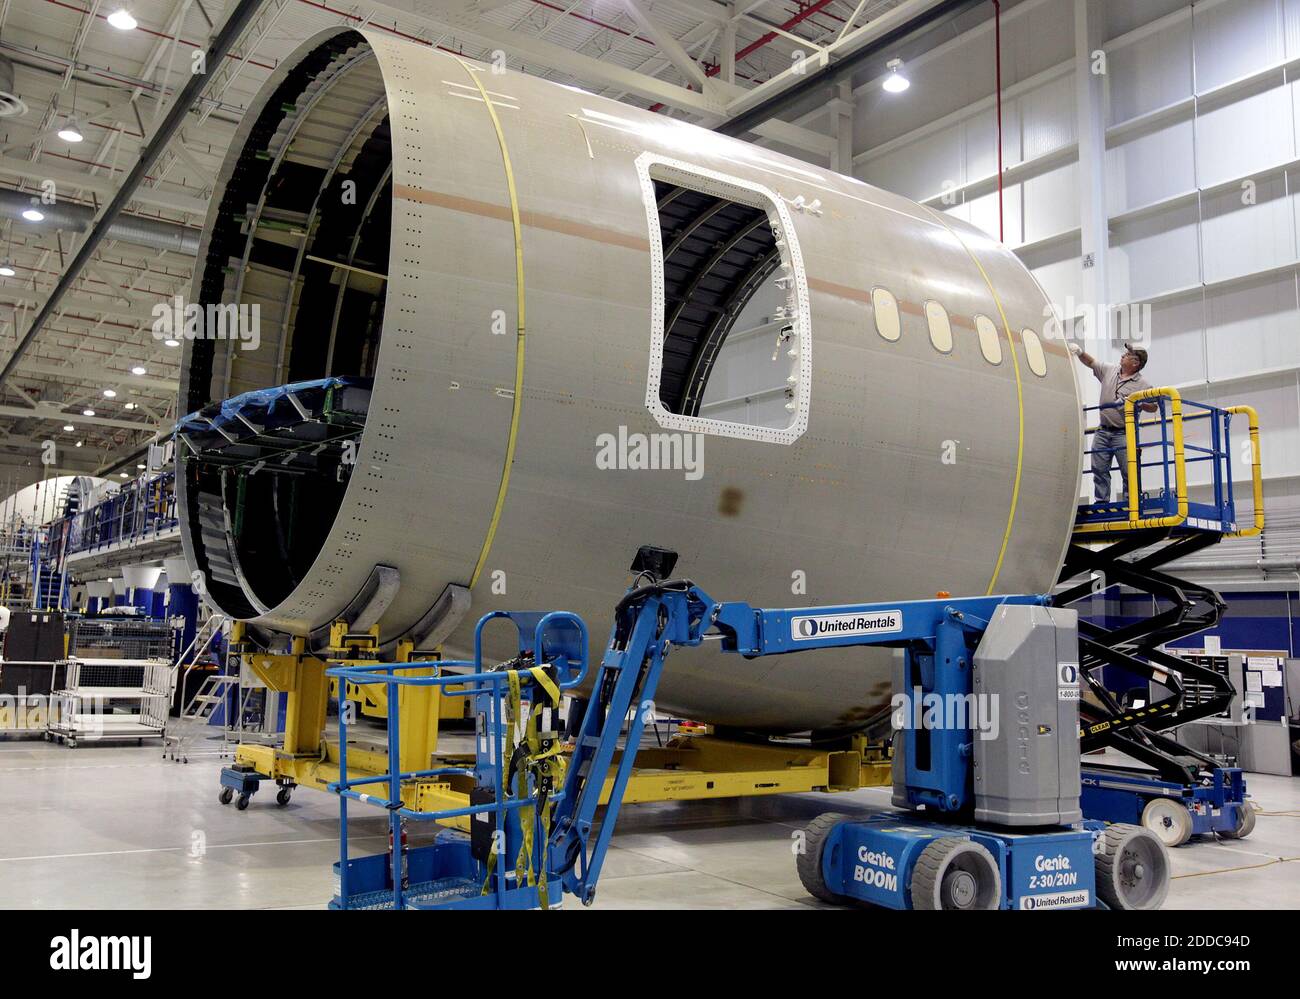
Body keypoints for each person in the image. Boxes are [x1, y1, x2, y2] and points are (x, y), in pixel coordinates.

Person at [1070, 343, 1156, 503]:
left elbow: (1154, 407)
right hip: (1103, 431)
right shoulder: (1110, 370)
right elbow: (1092, 363)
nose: (1123, 355)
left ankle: (1132, 504)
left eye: (1127, 354)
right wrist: (1080, 352)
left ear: (1135, 363)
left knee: (1129, 470)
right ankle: (1102, 502)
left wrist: (1136, 402)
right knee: (1099, 468)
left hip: (1124, 432)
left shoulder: (1143, 384)